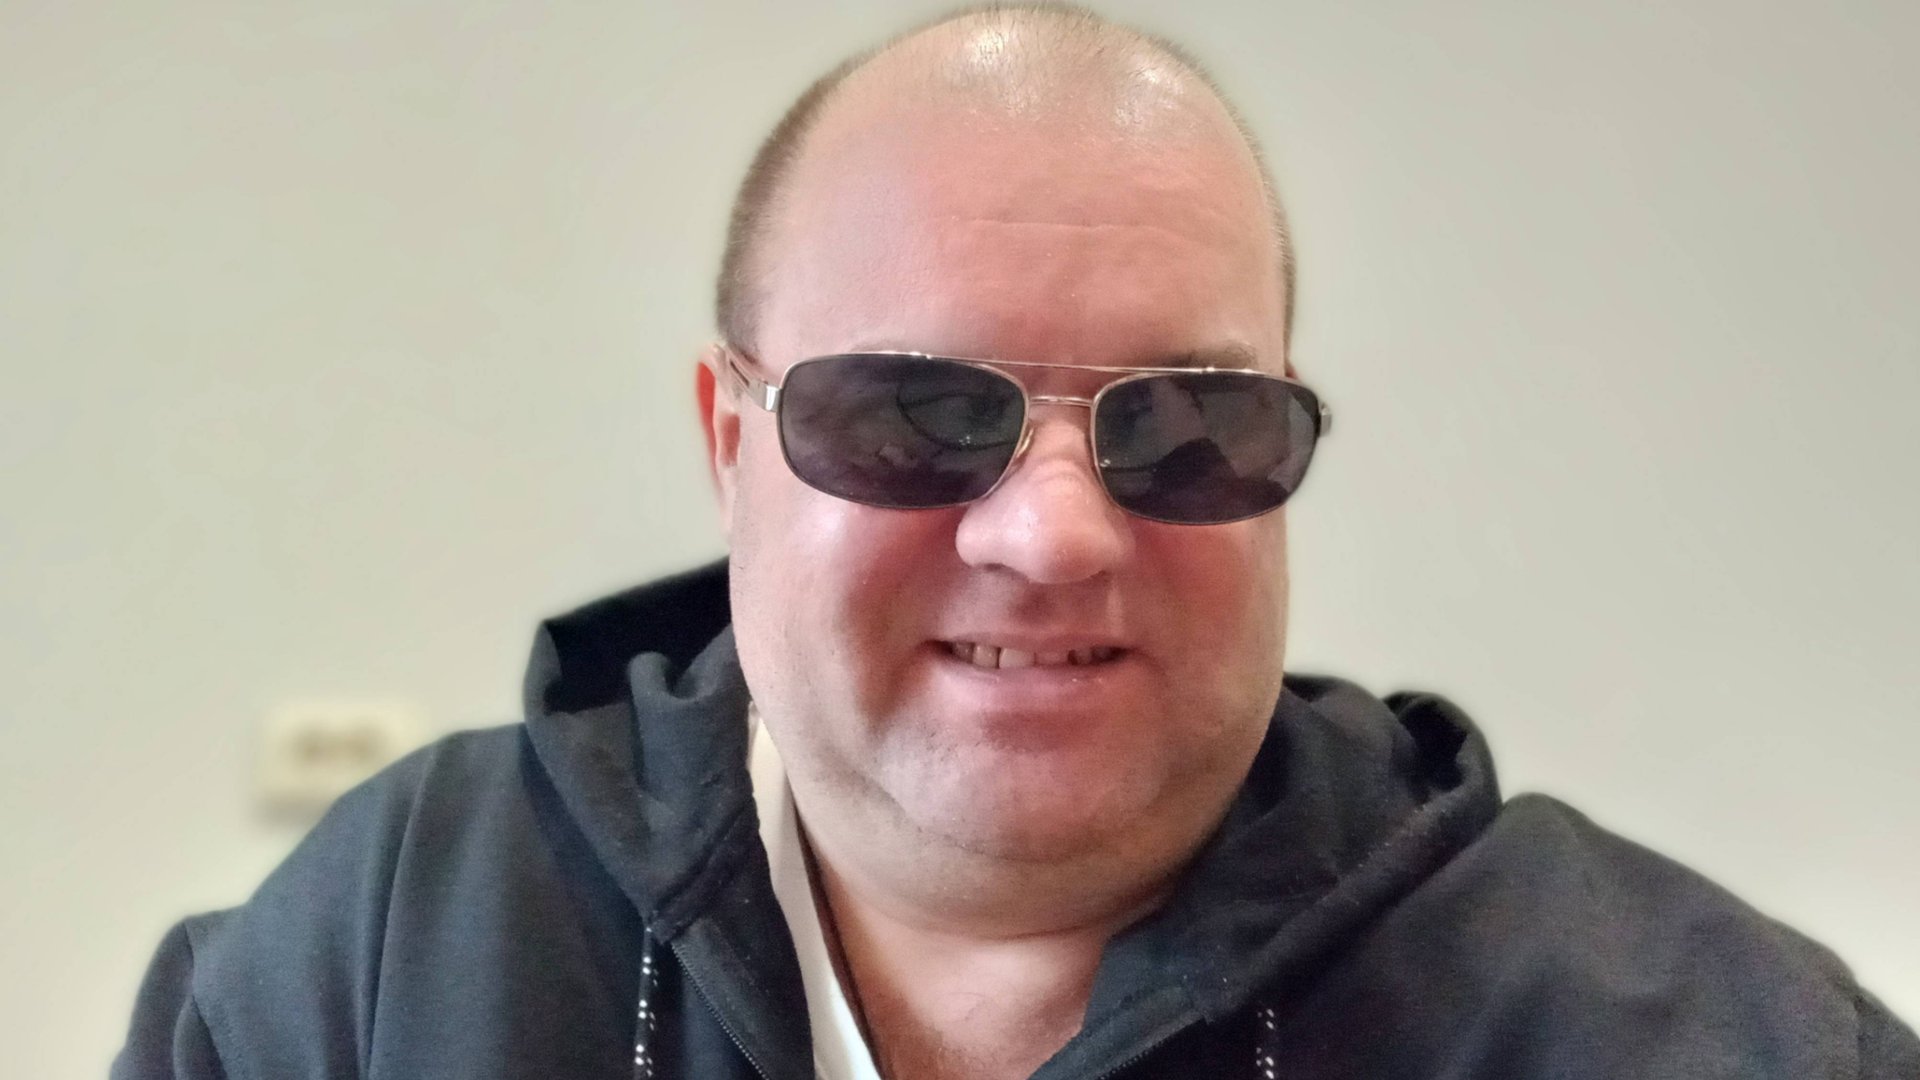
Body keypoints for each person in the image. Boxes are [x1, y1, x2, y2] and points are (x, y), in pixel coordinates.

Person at [114, 5, 1917, 1079]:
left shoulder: (1689, 1036)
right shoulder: (371, 966)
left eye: (1188, 425)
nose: (1054, 533)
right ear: (731, 442)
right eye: (915, 414)